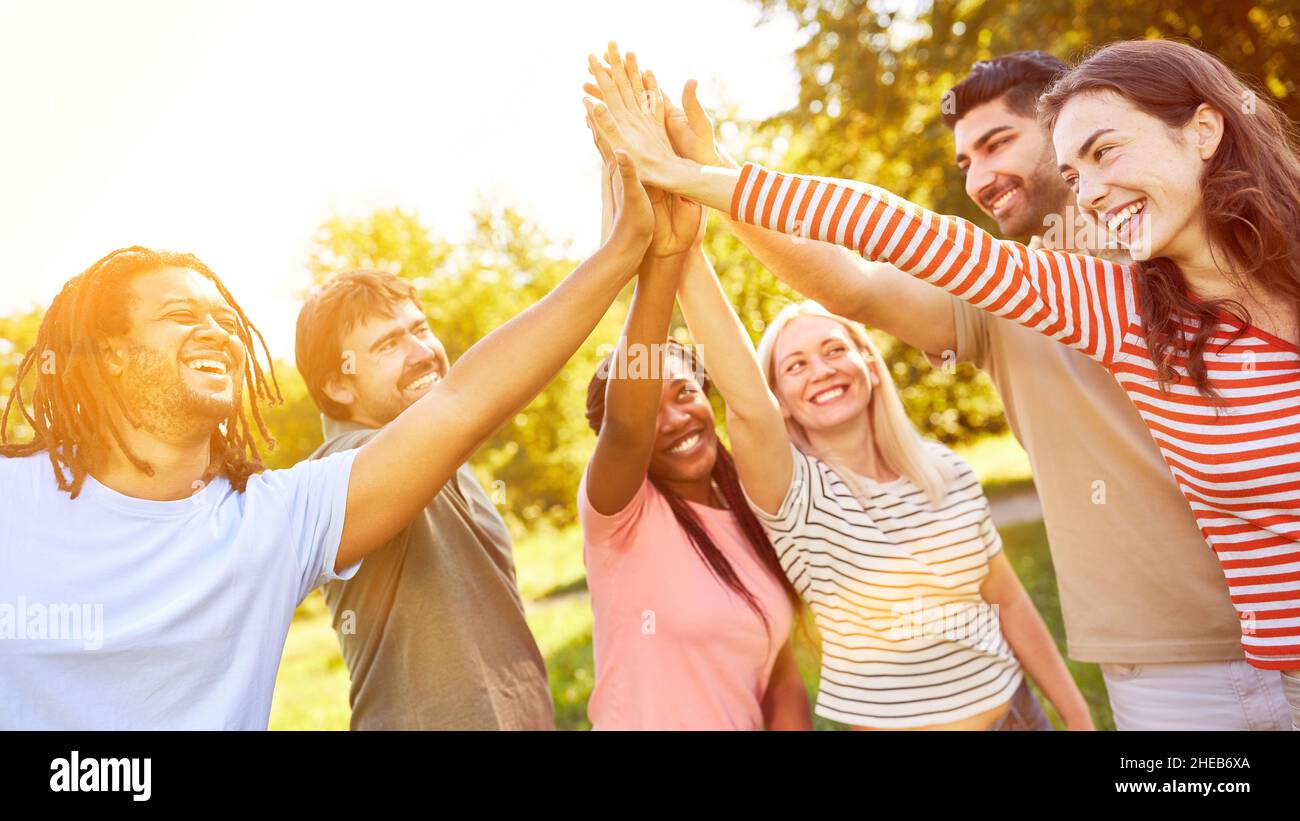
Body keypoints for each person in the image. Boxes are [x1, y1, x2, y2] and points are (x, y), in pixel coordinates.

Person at [583, 38, 1300, 727]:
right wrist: (709, 179)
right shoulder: (1099, 303)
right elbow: (895, 243)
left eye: (1102, 150)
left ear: (1204, 129)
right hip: (1173, 673)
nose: (1094, 187)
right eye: (1079, 171)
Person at [0, 144, 655, 728]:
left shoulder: (271, 522)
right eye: (179, 314)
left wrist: (625, 250)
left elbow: (463, 401)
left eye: (227, 319)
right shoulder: (14, 496)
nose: (219, 332)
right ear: (107, 354)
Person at [578, 104, 811, 730]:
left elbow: (781, 676)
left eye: (683, 393)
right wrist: (657, 257)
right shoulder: (617, 518)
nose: (675, 418)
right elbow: (626, 425)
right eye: (649, 410)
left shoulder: (747, 505)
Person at [294, 269, 553, 730]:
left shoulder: (446, 458)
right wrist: (620, 251)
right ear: (338, 384)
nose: (422, 353)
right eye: (388, 345)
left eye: (420, 328)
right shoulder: (344, 468)